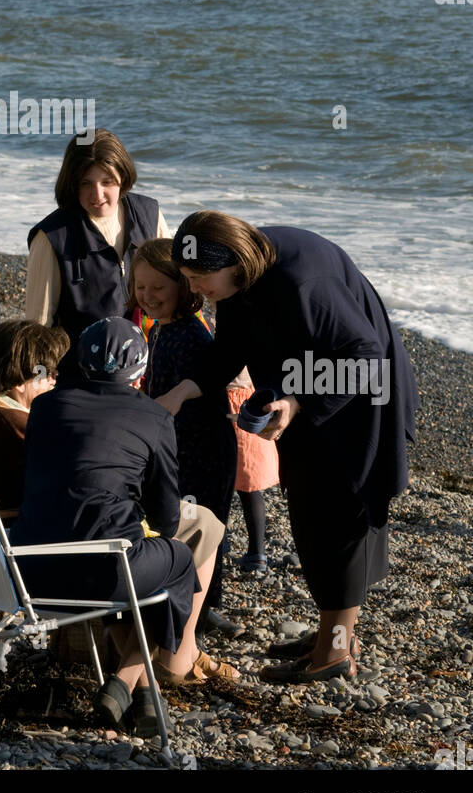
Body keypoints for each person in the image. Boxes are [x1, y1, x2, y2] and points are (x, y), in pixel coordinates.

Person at [159, 210, 420, 683]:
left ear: (235, 262)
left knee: (339, 516)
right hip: (304, 391)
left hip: (359, 398)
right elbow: (229, 348)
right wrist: (182, 391)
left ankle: (334, 653)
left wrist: (297, 404)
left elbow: (365, 357)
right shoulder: (238, 279)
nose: (194, 289)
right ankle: (332, 632)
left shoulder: (303, 283)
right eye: (187, 277)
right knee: (308, 509)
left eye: (200, 278)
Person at [10, 317, 237, 738]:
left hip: (27, 571)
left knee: (129, 560)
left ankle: (143, 693)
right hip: (105, 575)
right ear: (140, 371)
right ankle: (125, 680)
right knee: (179, 561)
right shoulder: (152, 416)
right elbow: (169, 518)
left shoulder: (45, 406)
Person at [130, 238, 239, 634]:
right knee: (180, 522)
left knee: (205, 525)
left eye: (158, 287)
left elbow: (204, 390)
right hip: (176, 449)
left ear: (185, 286)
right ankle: (189, 602)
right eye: (140, 287)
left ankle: (203, 606)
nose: (148, 295)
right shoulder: (161, 329)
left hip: (204, 449)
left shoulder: (192, 334)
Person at [25, 130, 169, 380]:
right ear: (71, 183)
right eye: (85, 183)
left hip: (152, 370)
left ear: (123, 177)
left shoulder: (149, 214)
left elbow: (178, 288)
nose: (97, 195)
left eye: (107, 182)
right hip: (83, 379)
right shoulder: (51, 237)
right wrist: (39, 390)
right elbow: (37, 329)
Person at [0, 320, 69, 516]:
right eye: (47, 373)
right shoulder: (16, 424)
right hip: (21, 527)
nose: (53, 379)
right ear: (20, 381)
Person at [226, 367, 279, 573]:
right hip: (250, 402)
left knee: (226, 484)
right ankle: (257, 553)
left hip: (236, 403)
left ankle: (220, 543)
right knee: (249, 486)